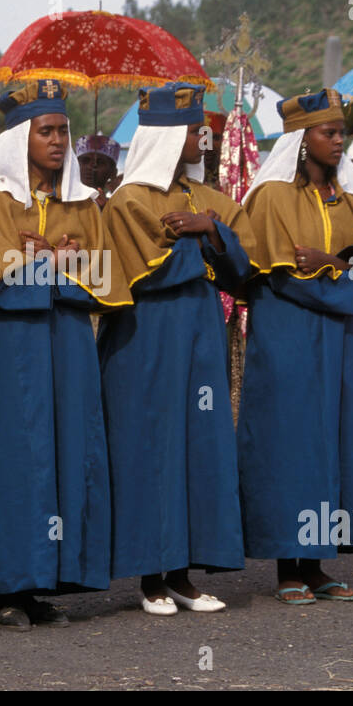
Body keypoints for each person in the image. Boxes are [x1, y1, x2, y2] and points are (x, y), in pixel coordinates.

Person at [0, 78, 130, 630]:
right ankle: (7, 587)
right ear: (20, 137)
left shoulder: (83, 205)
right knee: (12, 461)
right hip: (8, 354)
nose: (58, 142)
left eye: (63, 132)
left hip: (67, 351)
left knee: (65, 459)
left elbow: (103, 279)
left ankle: (44, 583)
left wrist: (40, 260)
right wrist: (56, 262)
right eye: (46, 131)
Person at [237, 90, 353, 604]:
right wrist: (344, 271)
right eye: (328, 133)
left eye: (341, 133)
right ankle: (286, 566)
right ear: (299, 139)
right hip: (287, 336)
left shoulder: (351, 199)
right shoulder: (270, 198)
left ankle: (316, 564)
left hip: (340, 338)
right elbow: (287, 278)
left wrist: (332, 265)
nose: (339, 142)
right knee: (292, 445)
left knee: (336, 442)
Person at [99, 83, 257, 615]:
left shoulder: (204, 200)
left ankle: (183, 574)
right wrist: (205, 240)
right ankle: (148, 576)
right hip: (145, 339)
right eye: (193, 130)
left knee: (196, 446)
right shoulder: (128, 200)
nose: (203, 136)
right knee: (149, 448)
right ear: (167, 137)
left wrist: (209, 228)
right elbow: (149, 272)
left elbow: (245, 271)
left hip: (200, 338)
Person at [75, 134, 119, 208]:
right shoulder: (62, 202)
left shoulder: (118, 208)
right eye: (85, 161)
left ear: (113, 172)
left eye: (100, 162)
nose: (91, 166)